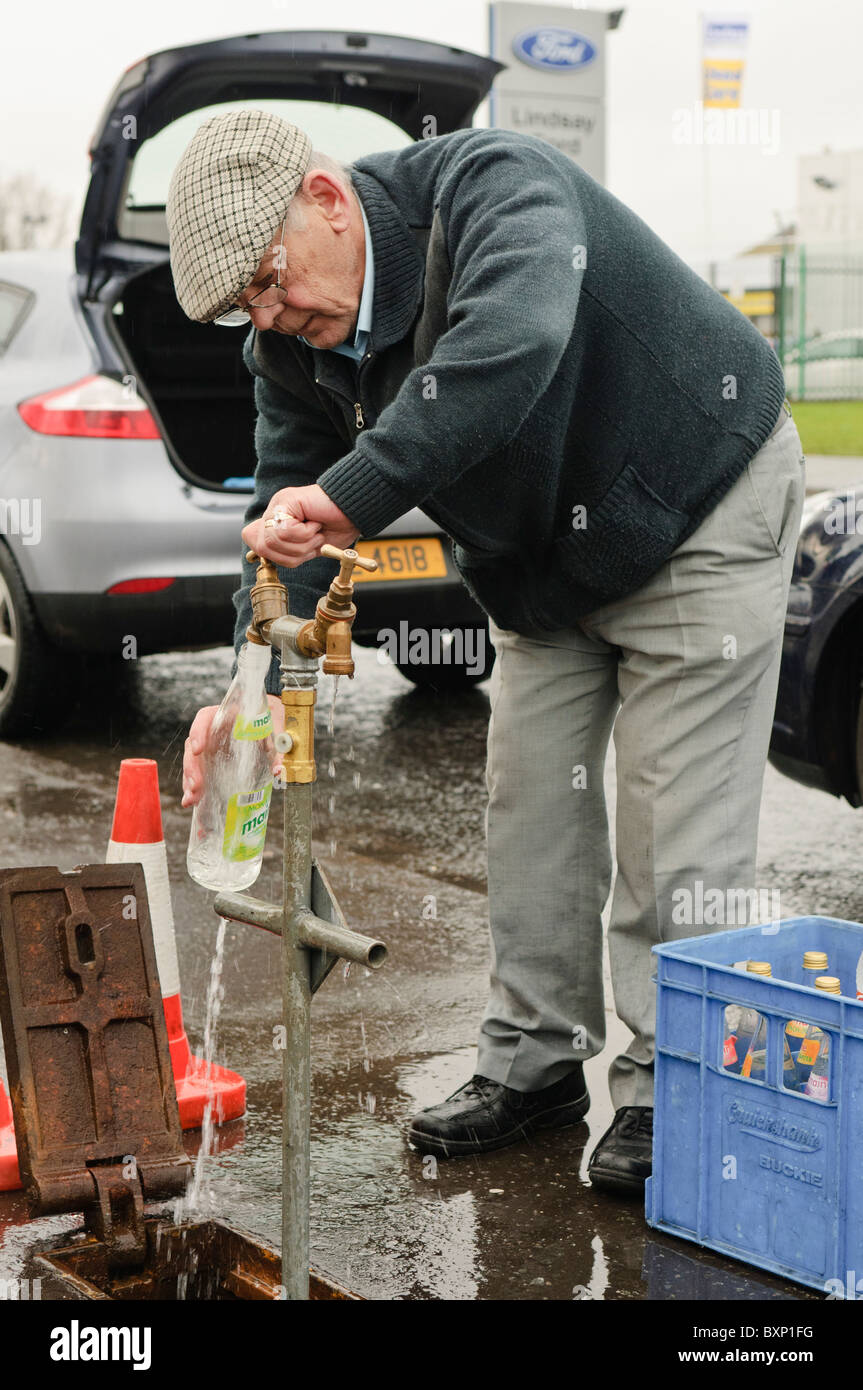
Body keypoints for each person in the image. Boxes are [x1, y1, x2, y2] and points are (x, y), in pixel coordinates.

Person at [172, 109, 805, 1195]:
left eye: (269, 280)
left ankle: (673, 1083)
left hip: (695, 498)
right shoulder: (286, 344)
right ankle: (534, 1064)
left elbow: (506, 348)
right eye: (245, 304)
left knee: (673, 823)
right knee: (528, 810)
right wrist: (250, 687)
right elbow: (294, 540)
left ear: (326, 198)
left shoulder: (493, 186)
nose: (269, 315)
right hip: (544, 566)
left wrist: (347, 495)